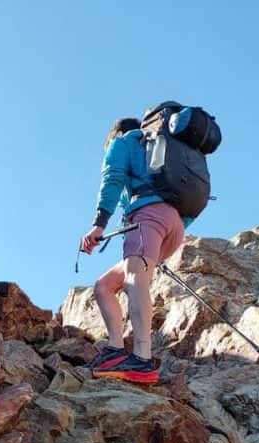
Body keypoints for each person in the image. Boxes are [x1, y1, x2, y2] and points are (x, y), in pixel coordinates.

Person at [78, 115, 192, 385]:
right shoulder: (160, 150)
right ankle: (116, 351)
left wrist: (98, 225)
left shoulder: (123, 143)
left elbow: (113, 179)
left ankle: (142, 359)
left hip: (146, 220)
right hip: (174, 226)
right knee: (104, 286)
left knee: (134, 281)